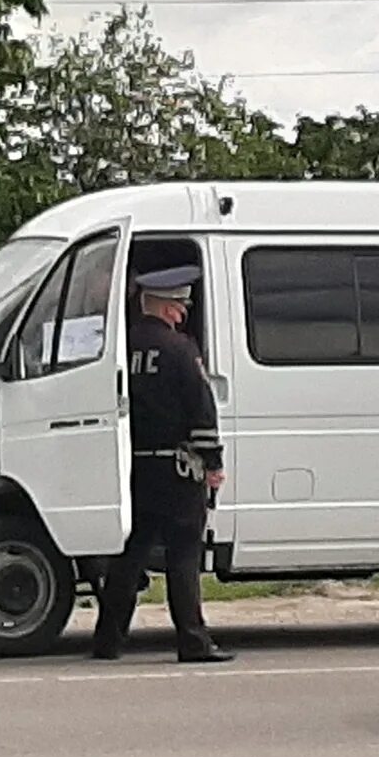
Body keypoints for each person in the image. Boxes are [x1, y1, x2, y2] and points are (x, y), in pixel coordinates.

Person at [92, 264, 233, 663]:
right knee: (184, 558)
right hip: (176, 469)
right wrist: (213, 463)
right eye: (179, 306)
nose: (182, 313)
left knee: (129, 557)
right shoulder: (180, 350)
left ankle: (107, 640)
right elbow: (201, 411)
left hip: (134, 469)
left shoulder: (121, 348)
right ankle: (193, 641)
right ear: (167, 307)